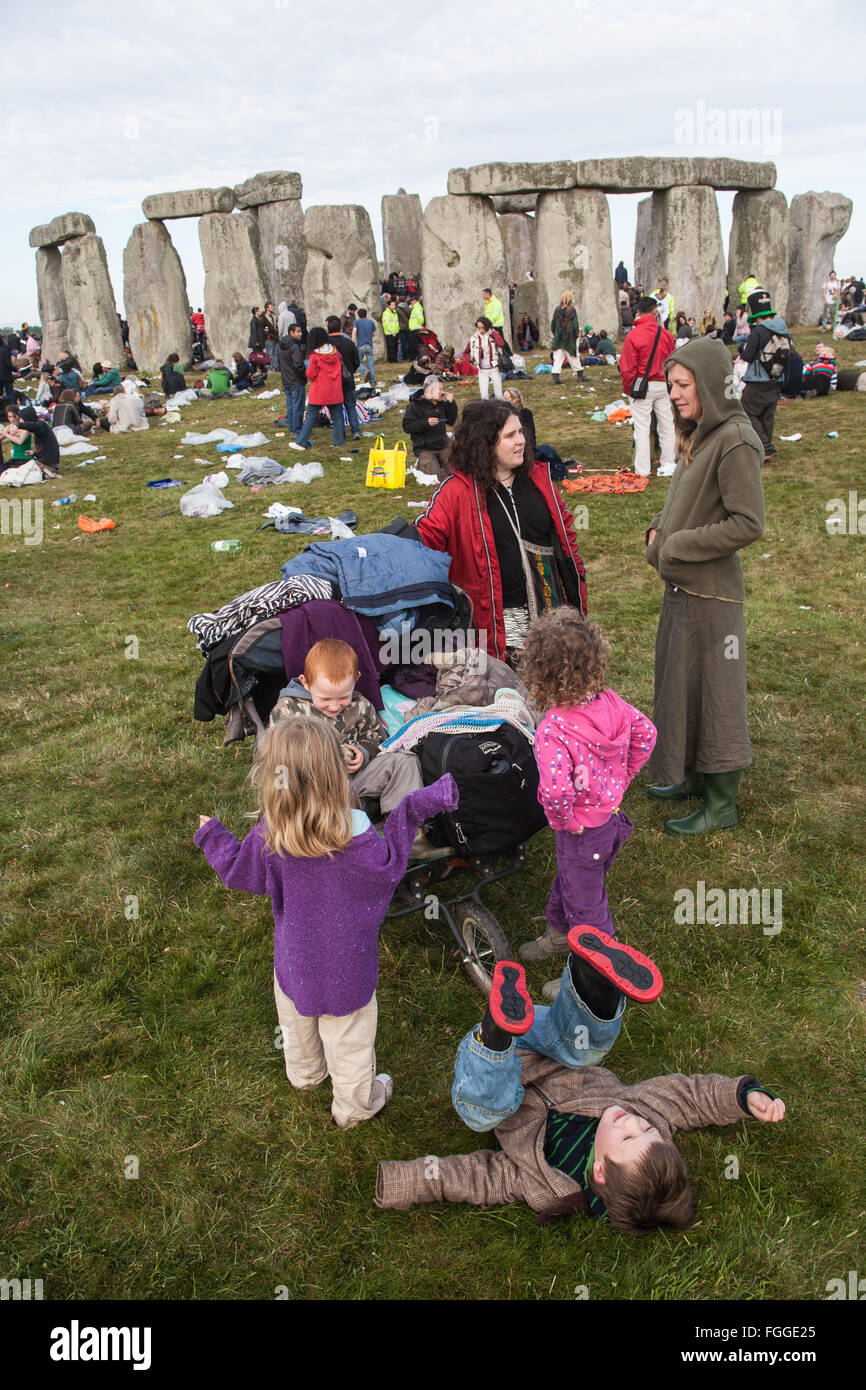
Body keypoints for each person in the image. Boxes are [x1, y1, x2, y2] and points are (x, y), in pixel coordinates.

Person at [376, 937, 786, 1231]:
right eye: (646, 1131)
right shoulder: (647, 1110)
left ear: (602, 1173)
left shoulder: (547, 1184)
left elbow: (477, 1177)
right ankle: (595, 986)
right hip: (545, 1039)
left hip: (496, 1065)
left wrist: (407, 1179)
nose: (633, 1122)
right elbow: (694, 1097)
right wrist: (745, 1096)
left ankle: (495, 1032)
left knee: (484, 1113)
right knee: (582, 1051)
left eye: (628, 1137)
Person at [195, 717, 458, 1128]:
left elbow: (236, 872)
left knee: (296, 1024)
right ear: (336, 774)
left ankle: (305, 1075)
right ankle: (353, 1107)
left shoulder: (271, 838)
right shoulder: (359, 837)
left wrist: (213, 834)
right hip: (347, 972)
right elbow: (389, 870)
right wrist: (412, 807)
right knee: (350, 1044)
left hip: (294, 965)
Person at [644, 336, 765, 835]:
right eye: (670, 385)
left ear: (711, 386)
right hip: (683, 590)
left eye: (682, 384)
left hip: (713, 596)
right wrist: (657, 525)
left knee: (716, 693)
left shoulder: (736, 440)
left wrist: (677, 546)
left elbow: (747, 523)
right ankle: (693, 773)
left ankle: (721, 803)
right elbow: (683, 499)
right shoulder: (701, 433)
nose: (672, 394)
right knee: (682, 687)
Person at [515, 610, 656, 993]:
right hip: (607, 823)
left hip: (581, 833)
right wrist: (622, 779)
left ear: (539, 675)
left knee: (588, 911)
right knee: (573, 884)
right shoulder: (611, 703)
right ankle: (559, 937)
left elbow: (557, 792)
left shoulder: (552, 731)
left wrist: (562, 820)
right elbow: (646, 732)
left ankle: (593, 975)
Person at [417, 399, 587, 661]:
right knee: (511, 695)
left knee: (557, 693)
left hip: (552, 613)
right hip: (498, 622)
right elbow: (424, 541)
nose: (521, 441)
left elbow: (566, 534)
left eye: (521, 432)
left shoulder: (539, 479)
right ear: (484, 441)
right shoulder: (456, 491)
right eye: (510, 435)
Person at [270, 639, 428, 823]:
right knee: (281, 782)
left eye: (343, 697)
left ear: (356, 679)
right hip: (311, 787)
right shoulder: (289, 710)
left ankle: (406, 830)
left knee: (404, 761)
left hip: (353, 781)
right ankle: (313, 833)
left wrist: (363, 752)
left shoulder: (360, 705)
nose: (334, 706)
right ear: (306, 683)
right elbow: (276, 756)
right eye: (325, 698)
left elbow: (375, 736)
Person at [618, 296, 676, 478]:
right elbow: (672, 360)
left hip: (642, 385)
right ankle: (669, 463)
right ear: (654, 312)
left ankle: (642, 470)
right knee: (667, 425)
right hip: (663, 383)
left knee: (642, 428)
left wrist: (630, 389)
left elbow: (627, 367)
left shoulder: (633, 335)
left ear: (638, 312)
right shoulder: (665, 335)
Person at [739, 287, 791, 462]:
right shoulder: (783, 329)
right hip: (776, 378)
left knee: (746, 410)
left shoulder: (759, 331)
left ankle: (765, 447)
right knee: (767, 414)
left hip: (758, 379)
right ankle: (766, 446)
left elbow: (747, 356)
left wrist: (743, 348)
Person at [290, 326, 346, 450]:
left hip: (320, 389)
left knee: (311, 415)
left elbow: (310, 374)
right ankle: (339, 442)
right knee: (337, 415)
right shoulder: (335, 352)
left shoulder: (314, 355)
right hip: (335, 389)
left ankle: (301, 442)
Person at [401, 374, 457, 480]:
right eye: (440, 390)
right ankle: (421, 463)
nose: (442, 392)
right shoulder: (414, 406)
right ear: (430, 391)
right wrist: (425, 423)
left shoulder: (440, 404)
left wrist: (451, 404)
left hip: (442, 445)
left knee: (456, 470)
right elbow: (407, 427)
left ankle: (439, 461)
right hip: (425, 448)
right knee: (436, 475)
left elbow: (451, 421)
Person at [2, 403, 61, 475]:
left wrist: (18, 425)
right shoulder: (39, 430)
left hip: (48, 465)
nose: (22, 421)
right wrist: (34, 454)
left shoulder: (41, 425)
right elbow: (45, 450)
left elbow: (31, 427)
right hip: (45, 462)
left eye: (23, 419)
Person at [326, 316, 361, 439]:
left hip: (332, 381)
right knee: (351, 406)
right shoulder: (349, 343)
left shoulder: (326, 346)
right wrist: (350, 371)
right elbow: (357, 361)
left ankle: (341, 433)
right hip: (348, 379)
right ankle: (355, 431)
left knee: (337, 408)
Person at [278, 323, 306, 434]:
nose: (301, 334)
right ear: (291, 332)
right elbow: (298, 363)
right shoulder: (294, 346)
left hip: (286, 379)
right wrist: (303, 376)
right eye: (298, 331)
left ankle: (292, 427)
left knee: (290, 404)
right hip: (296, 379)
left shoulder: (282, 346)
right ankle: (297, 429)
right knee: (298, 405)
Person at [550, 292, 584, 383]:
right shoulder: (571, 310)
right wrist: (576, 334)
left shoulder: (557, 309)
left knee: (558, 357)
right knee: (573, 356)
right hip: (569, 337)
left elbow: (553, 324)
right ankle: (580, 375)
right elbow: (575, 324)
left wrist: (555, 333)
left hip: (558, 337)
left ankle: (555, 377)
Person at [470, 317, 503, 399]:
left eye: (482, 327)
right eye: (478, 328)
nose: (481, 330)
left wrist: (494, 333)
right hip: (482, 370)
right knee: (484, 395)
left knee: (498, 394)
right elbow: (467, 351)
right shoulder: (474, 338)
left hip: (494, 368)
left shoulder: (493, 335)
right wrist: (473, 360)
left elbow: (501, 344)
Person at [503, 386, 536, 454]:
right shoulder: (503, 413)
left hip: (525, 446)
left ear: (514, 399)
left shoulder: (526, 413)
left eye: (506, 398)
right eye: (503, 398)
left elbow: (530, 434)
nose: (503, 401)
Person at [353, 308, 377, 385]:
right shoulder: (371, 322)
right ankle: (372, 380)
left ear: (358, 315)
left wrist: (353, 341)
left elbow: (354, 331)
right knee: (370, 363)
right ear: (366, 314)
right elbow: (374, 334)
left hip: (360, 345)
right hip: (369, 345)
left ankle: (364, 370)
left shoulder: (356, 322)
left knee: (357, 362)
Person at [263, 302, 280, 371]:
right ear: (267, 308)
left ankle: (276, 367)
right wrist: (267, 335)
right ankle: (269, 367)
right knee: (270, 353)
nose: (272, 307)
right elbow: (264, 327)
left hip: (275, 336)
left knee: (276, 352)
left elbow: (276, 325)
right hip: (269, 337)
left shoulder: (274, 316)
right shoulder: (264, 317)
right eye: (270, 306)